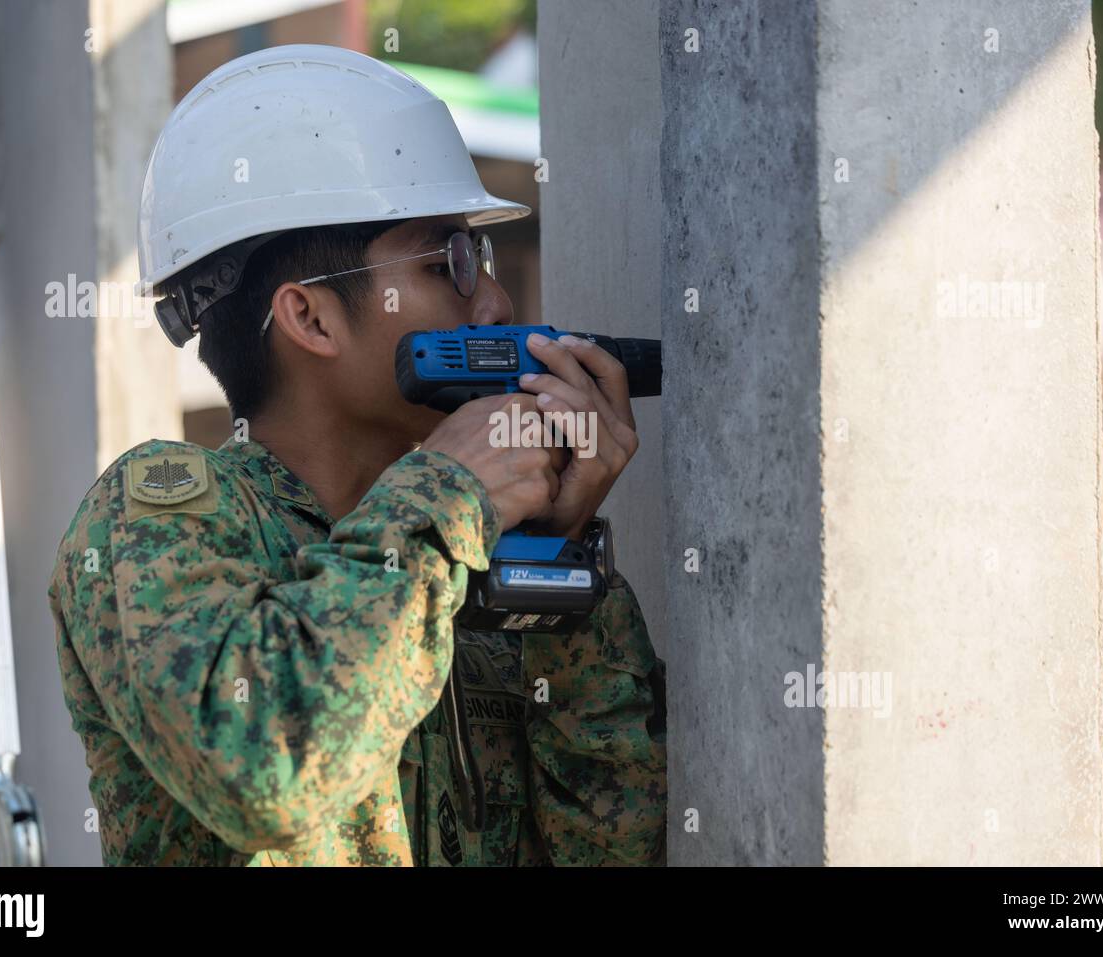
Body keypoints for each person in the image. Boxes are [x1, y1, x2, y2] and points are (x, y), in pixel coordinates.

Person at [47, 44, 666, 866]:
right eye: (448, 258)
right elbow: (265, 769)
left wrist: (552, 570)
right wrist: (445, 495)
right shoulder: (159, 516)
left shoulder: (470, 546)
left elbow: (614, 847)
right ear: (311, 319)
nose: (496, 300)